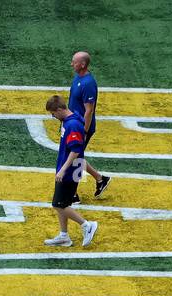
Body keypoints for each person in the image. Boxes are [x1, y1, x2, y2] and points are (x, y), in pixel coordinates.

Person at [43, 95, 99, 247]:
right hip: (72, 167)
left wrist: (62, 170)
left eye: (53, 113)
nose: (53, 117)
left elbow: (75, 150)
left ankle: (87, 225)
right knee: (64, 202)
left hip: (70, 169)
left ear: (60, 109)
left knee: (58, 204)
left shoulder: (72, 124)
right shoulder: (70, 120)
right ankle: (64, 236)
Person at [69, 51, 111, 198]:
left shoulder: (88, 84)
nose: (71, 64)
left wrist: (84, 131)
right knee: (76, 157)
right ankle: (100, 179)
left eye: (74, 61)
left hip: (81, 128)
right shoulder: (78, 78)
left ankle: (72, 194)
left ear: (82, 64)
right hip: (74, 125)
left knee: (73, 158)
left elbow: (89, 111)